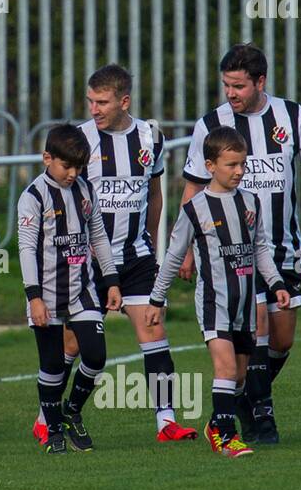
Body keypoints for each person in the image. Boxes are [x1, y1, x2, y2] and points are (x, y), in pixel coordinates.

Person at [179, 44, 301, 443]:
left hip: (283, 248)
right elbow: (193, 184)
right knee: (254, 332)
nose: (231, 93)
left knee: (281, 338)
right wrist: (186, 246)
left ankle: (238, 398)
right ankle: (261, 417)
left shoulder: (291, 116)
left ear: (260, 82)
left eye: (238, 85)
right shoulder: (212, 124)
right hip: (231, 254)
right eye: (226, 85)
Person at [58, 63, 197, 444]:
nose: (94, 109)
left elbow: (154, 194)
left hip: (136, 256)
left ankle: (166, 422)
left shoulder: (151, 137)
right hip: (90, 261)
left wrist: (151, 245)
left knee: (154, 330)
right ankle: (49, 416)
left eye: (102, 102)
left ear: (124, 101)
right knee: (73, 343)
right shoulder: (80, 139)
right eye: (90, 101)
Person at [148, 128, 292, 458]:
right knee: (225, 369)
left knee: (239, 376)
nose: (239, 171)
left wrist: (277, 284)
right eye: (231, 165)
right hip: (215, 304)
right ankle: (227, 438)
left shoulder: (250, 202)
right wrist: (157, 299)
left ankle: (216, 423)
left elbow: (260, 250)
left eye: (242, 164)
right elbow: (172, 256)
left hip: (245, 304)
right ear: (210, 166)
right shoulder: (194, 209)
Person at [17, 123, 122, 454]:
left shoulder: (85, 190)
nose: (73, 173)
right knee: (51, 366)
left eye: (80, 166)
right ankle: (52, 430)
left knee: (95, 356)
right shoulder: (33, 196)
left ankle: (71, 411)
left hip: (83, 291)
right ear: (47, 158)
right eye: (67, 166)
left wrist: (112, 280)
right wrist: (34, 298)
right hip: (46, 294)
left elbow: (99, 237)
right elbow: (25, 249)